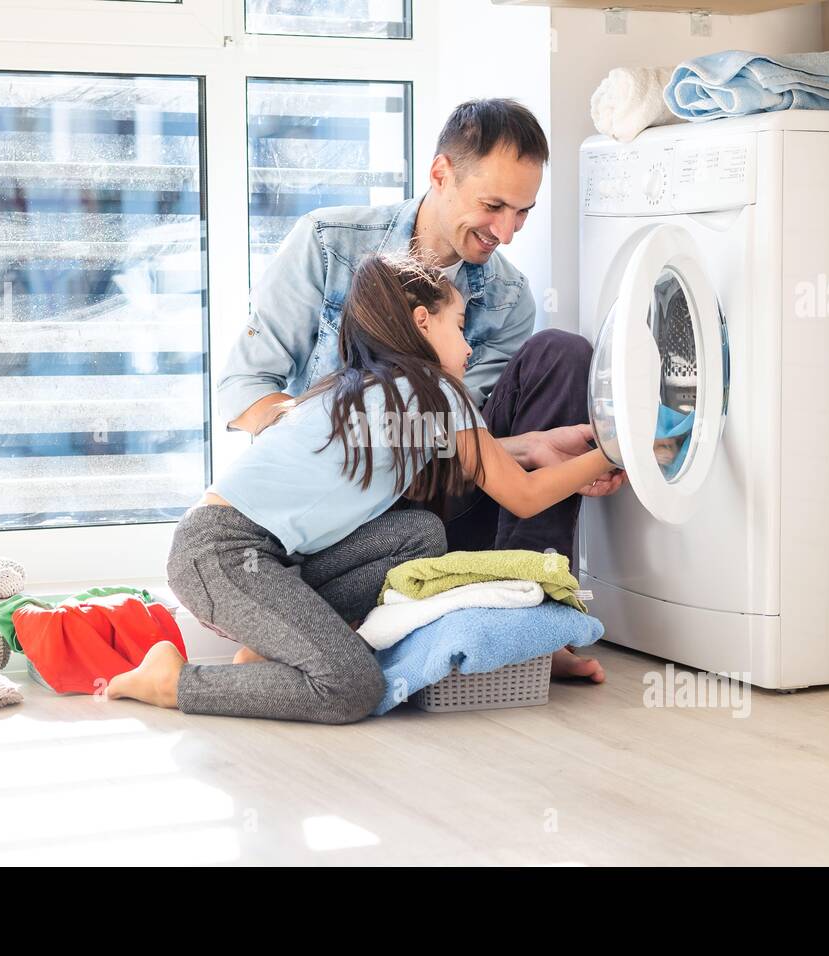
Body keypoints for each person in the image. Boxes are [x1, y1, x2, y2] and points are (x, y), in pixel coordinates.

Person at [107, 254, 620, 723]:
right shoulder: (439, 390)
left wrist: (536, 444)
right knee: (352, 689)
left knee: (418, 533)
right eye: (460, 327)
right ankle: (173, 682)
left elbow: (469, 455)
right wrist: (616, 451)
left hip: (242, 551)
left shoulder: (365, 390)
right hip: (223, 552)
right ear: (423, 322)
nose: (467, 348)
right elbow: (523, 497)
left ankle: (276, 649)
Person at [216, 98, 625, 684]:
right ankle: (356, 616)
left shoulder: (507, 297)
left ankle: (533, 613)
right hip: (343, 516)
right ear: (440, 174)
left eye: (523, 213)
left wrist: (532, 447)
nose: (506, 232)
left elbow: (459, 446)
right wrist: (333, 447)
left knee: (561, 353)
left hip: (438, 498)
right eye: (493, 206)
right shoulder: (328, 244)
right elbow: (244, 387)